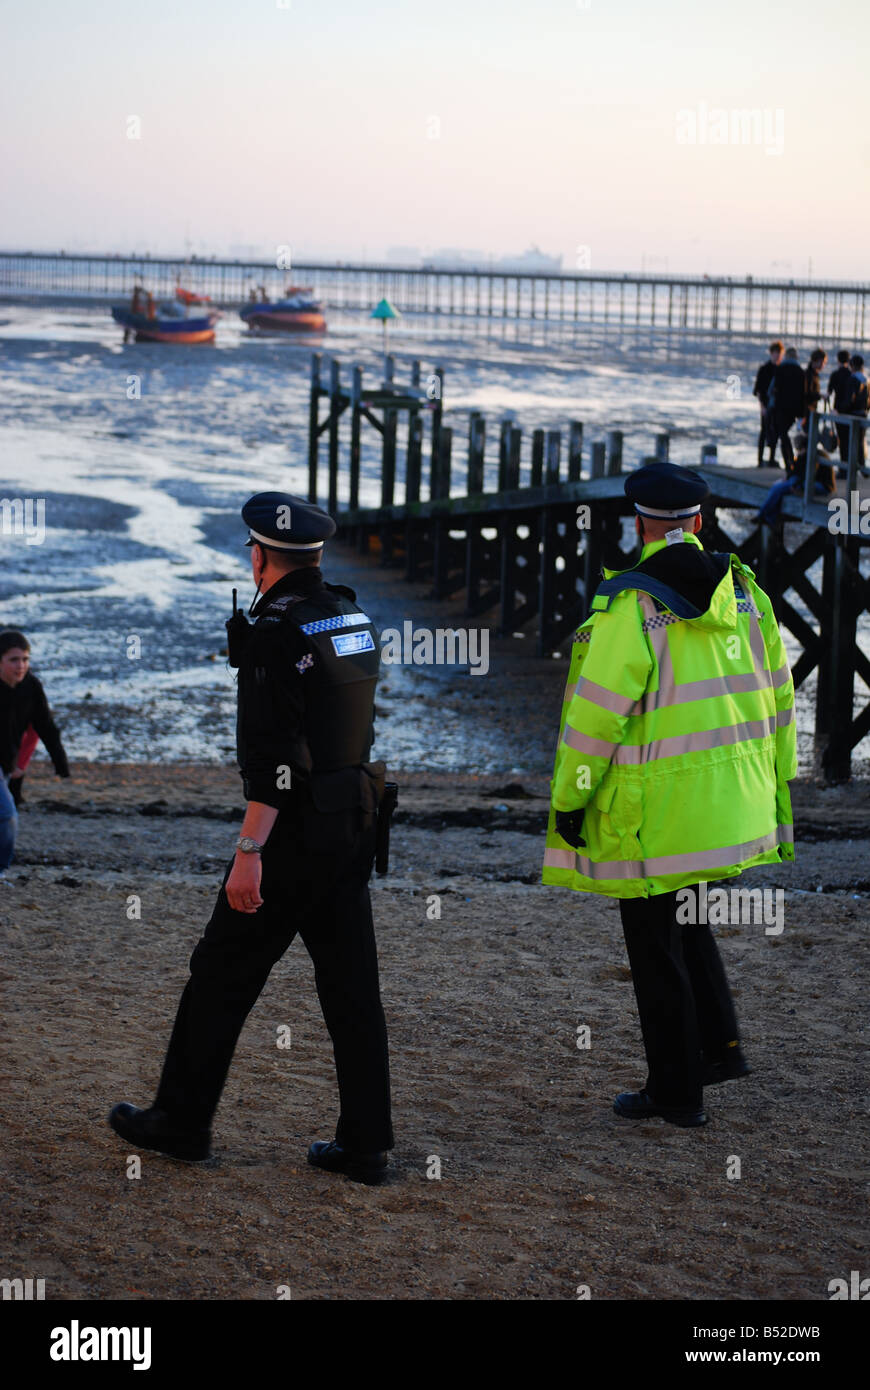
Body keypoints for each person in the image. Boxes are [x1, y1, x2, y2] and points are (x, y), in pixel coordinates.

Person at [109, 494, 394, 1184]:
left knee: (219, 976)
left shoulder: (274, 632)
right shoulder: (352, 615)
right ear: (316, 556)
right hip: (355, 818)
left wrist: (249, 854)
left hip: (294, 835)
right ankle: (365, 1146)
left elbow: (272, 760)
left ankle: (180, 1123)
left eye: (252, 554)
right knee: (352, 989)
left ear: (261, 558)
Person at [542, 464, 797, 1127]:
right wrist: (778, 779)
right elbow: (780, 695)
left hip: (658, 813)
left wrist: (569, 802)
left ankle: (676, 1092)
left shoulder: (634, 604)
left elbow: (596, 718)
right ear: (700, 524)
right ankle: (721, 1050)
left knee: (654, 944)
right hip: (730, 801)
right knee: (689, 921)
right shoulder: (745, 592)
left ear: (640, 525)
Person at [0, 631, 70, 882]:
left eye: (25, 659)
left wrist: (60, 763)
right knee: (7, 816)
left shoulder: (31, 686)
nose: (21, 666)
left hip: (7, 761)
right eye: (14, 660)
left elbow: (45, 726)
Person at [757, 433, 835, 527]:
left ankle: (763, 514)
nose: (797, 450)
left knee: (781, 488)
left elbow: (810, 474)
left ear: (804, 447)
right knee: (780, 487)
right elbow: (796, 471)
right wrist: (788, 478)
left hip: (823, 485)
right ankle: (769, 517)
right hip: (808, 481)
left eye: (798, 448)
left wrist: (797, 486)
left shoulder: (815, 456)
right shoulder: (803, 455)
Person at [770, 346, 805, 471]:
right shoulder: (801, 371)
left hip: (780, 408)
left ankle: (788, 462)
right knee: (790, 434)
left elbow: (773, 389)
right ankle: (795, 462)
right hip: (795, 410)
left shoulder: (780, 369)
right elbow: (803, 392)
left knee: (783, 435)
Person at [752, 340, 784, 466]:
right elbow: (759, 390)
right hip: (766, 405)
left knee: (775, 432)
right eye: (776, 353)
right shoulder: (764, 369)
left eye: (779, 353)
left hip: (778, 407)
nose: (777, 355)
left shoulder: (782, 370)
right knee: (764, 431)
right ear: (771, 353)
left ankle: (771, 459)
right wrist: (762, 407)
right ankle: (760, 460)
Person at [828, 350, 854, 466]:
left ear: (838, 360)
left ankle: (843, 467)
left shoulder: (835, 375)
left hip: (837, 410)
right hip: (849, 411)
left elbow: (829, 393)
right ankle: (851, 466)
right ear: (848, 361)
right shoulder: (851, 375)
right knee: (850, 439)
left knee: (842, 439)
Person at [844, 354, 869, 468]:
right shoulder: (866, 380)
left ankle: (852, 467)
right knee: (861, 440)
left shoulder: (852, 379)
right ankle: (862, 465)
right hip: (863, 413)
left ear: (852, 366)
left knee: (851, 442)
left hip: (853, 414)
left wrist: (843, 409)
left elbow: (850, 399)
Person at [802, 348, 827, 428]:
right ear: (816, 361)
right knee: (808, 435)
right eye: (823, 362)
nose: (823, 365)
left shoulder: (813, 374)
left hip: (809, 411)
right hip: (807, 411)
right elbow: (807, 393)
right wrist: (820, 396)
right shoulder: (809, 375)